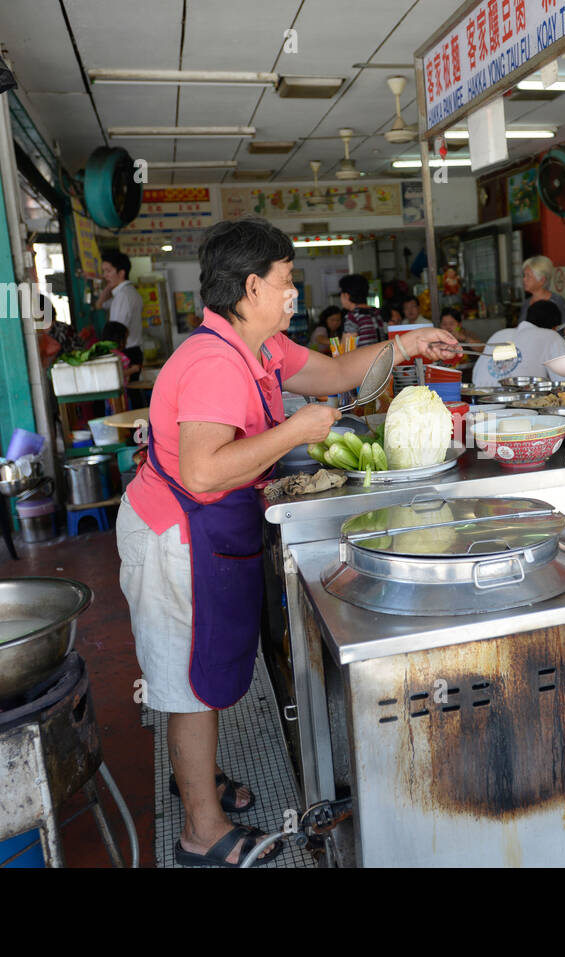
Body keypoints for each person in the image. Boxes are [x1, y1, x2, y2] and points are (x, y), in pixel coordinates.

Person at [116, 218, 455, 866]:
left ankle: (199, 782)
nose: (293, 292)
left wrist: (407, 347)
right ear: (250, 287)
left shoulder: (260, 347)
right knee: (191, 681)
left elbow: (333, 372)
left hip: (208, 526)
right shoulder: (214, 362)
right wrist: (295, 430)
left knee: (207, 668)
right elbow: (203, 468)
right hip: (174, 532)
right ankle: (201, 832)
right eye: (286, 280)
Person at [472, 300, 565, 387]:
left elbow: (476, 375)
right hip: (521, 404)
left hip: (478, 403)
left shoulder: (498, 335)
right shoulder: (551, 336)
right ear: (555, 328)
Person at [98, 251, 144, 356]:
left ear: (121, 273)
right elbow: (99, 305)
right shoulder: (126, 293)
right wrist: (108, 287)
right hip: (131, 350)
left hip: (127, 352)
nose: (105, 276)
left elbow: (117, 332)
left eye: (108, 271)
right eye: (103, 271)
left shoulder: (123, 296)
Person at [520, 256, 565, 344]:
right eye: (524, 275)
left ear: (542, 280)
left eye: (528, 276)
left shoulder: (557, 301)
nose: (524, 279)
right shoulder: (526, 303)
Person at [338, 274, 386, 344]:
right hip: (381, 353)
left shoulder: (353, 317)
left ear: (346, 295)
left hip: (365, 355)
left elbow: (347, 348)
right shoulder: (376, 312)